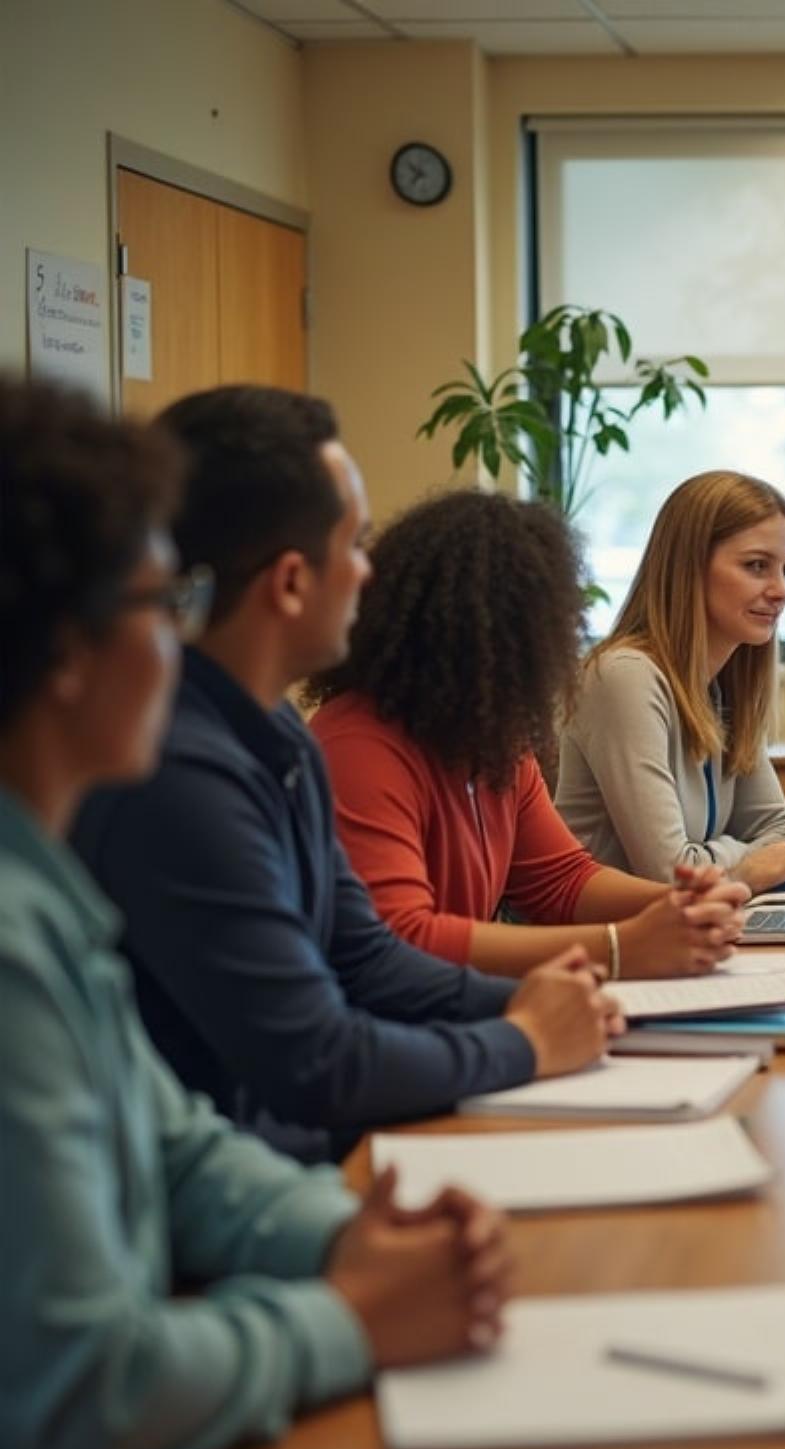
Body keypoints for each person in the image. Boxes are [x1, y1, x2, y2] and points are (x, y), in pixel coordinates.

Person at [0, 376, 510, 1449]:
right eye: (159, 600)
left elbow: (175, 1149)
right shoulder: (14, 945)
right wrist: (356, 1316)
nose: (182, 638)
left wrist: (356, 1234)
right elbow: (89, 1391)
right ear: (70, 655)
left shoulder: (44, 887)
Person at [72, 386, 618, 1166]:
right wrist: (524, 1041)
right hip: (244, 1186)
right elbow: (318, 1061)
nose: (370, 574)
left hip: (285, 1162)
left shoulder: (278, 732)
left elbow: (365, 956)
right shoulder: (180, 773)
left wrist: (544, 1006)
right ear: (292, 582)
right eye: (356, 545)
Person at [307, 490, 748, 981]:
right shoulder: (357, 746)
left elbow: (562, 881)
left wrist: (678, 905)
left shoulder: (494, 741)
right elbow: (405, 937)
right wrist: (620, 946)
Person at [555, 470, 785, 895]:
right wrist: (748, 861)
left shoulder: (719, 685)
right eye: (756, 566)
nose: (782, 590)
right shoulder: (623, 676)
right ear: (689, 567)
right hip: (601, 949)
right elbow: (670, 874)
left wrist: (730, 859)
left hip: (684, 936)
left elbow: (781, 834)